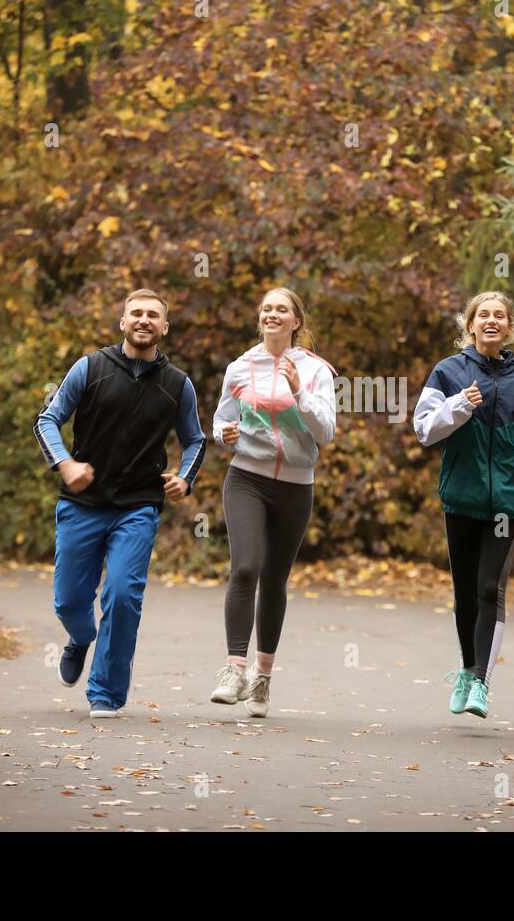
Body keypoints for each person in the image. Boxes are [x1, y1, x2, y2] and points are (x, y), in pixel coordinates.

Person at [34, 288, 205, 719]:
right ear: (123, 322)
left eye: (153, 315)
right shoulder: (89, 368)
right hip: (82, 503)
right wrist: (66, 463)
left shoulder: (177, 385)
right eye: (136, 314)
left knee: (123, 593)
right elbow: (47, 420)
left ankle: (106, 694)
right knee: (69, 602)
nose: (144, 320)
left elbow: (196, 440)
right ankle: (79, 639)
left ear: (165, 327)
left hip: (137, 506)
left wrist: (184, 479)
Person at [413, 291, 514, 719]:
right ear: (470, 325)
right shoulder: (447, 372)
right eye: (483, 315)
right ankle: (467, 670)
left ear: (509, 327)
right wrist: (461, 404)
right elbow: (425, 431)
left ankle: (481, 681)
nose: (491, 321)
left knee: (490, 588)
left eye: (499, 316)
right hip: (461, 498)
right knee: (464, 593)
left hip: (508, 501)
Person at [209, 288, 337, 718]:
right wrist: (223, 433)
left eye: (281, 309)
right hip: (246, 477)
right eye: (266, 308)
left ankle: (262, 677)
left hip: (296, 485)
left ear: (296, 321)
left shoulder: (316, 370)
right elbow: (222, 417)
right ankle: (233, 669)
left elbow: (326, 432)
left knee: (276, 579)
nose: (271, 314)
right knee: (245, 567)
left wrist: (300, 391)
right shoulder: (240, 367)